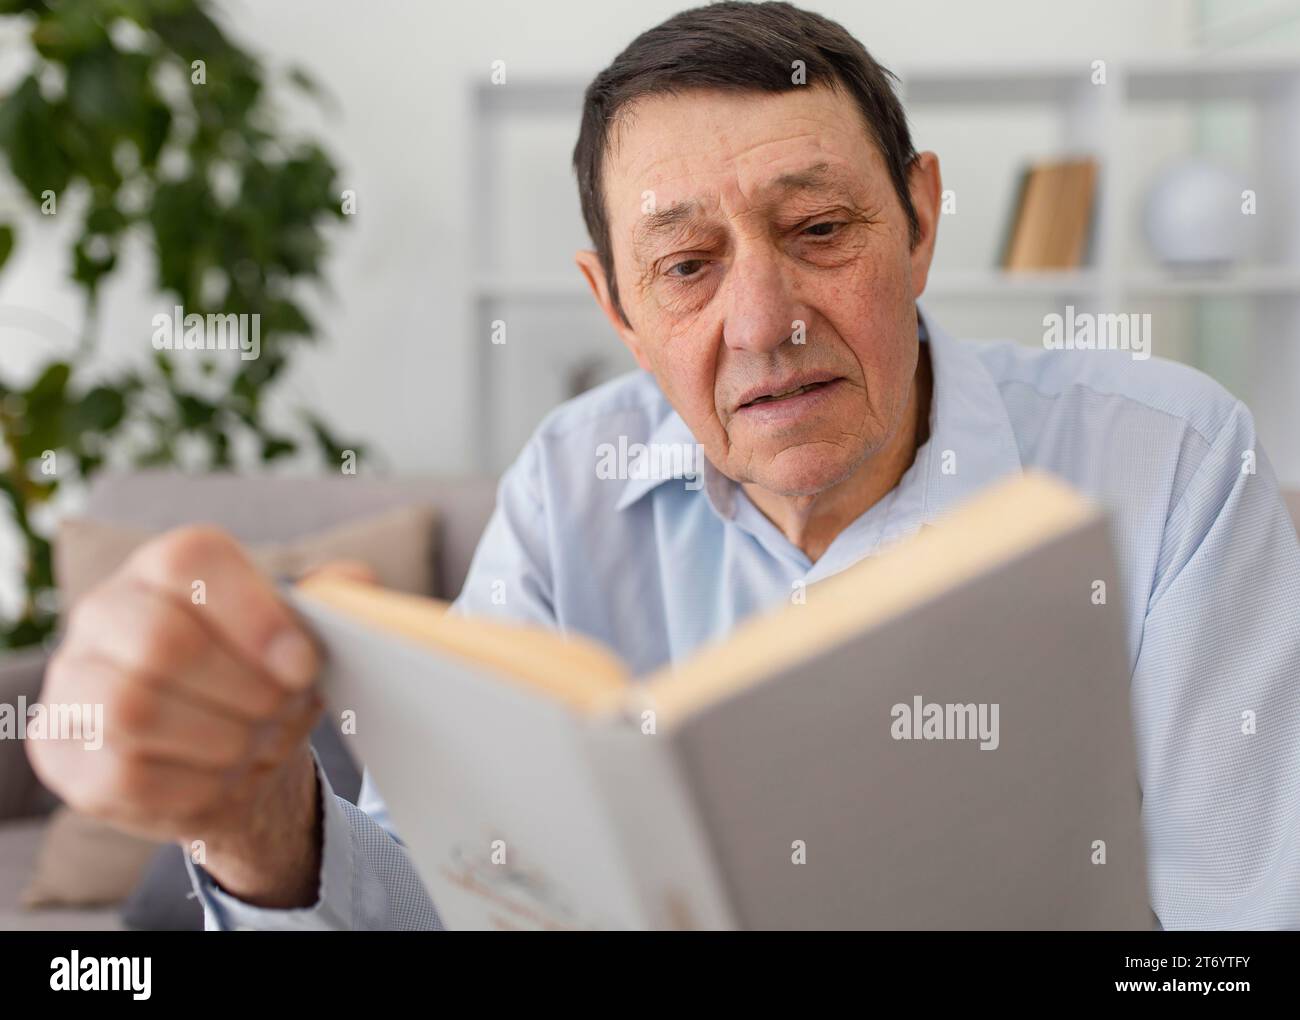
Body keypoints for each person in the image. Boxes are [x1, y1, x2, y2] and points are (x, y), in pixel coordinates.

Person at [29, 1, 1300, 930]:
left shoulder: (1174, 463)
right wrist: (266, 832)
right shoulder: (566, 485)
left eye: (818, 229)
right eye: (686, 267)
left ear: (917, 219)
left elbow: (1236, 931)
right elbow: (443, 904)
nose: (762, 322)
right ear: (616, 307)